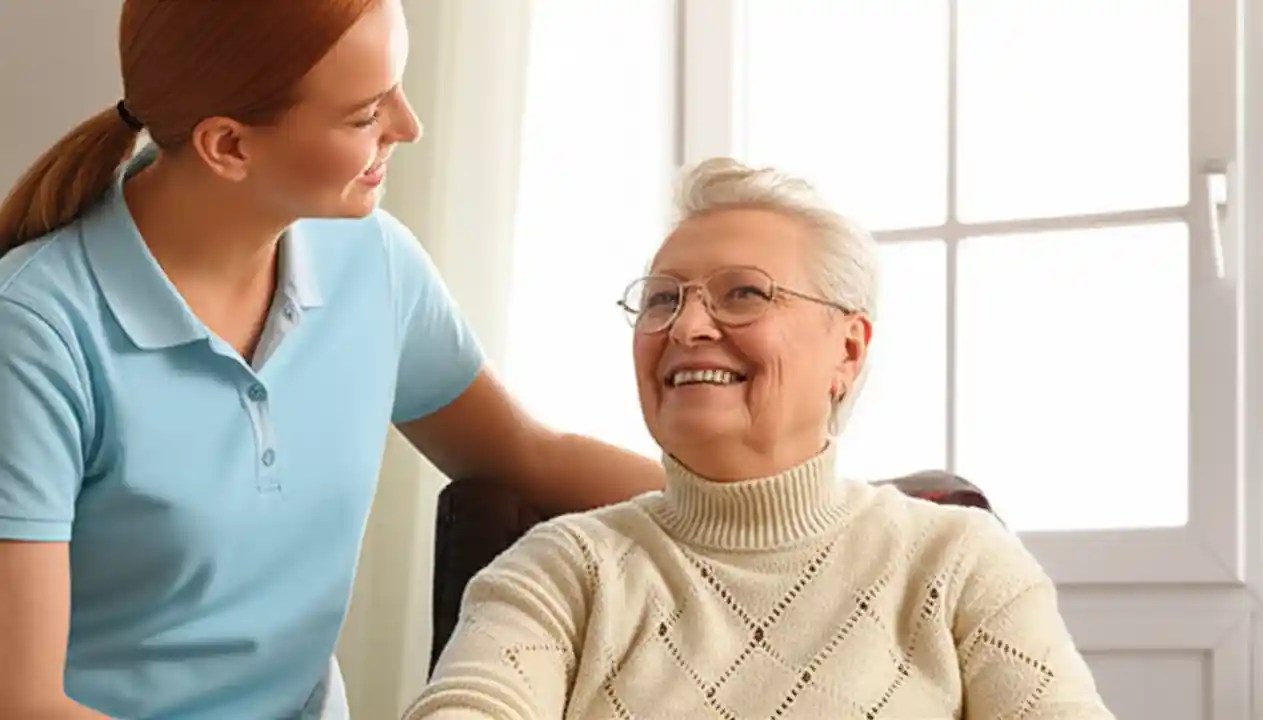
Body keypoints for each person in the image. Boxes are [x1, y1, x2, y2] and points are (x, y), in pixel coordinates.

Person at [0, 2, 662, 718]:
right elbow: (23, 701)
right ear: (228, 146)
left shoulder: (370, 262)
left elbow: (526, 454)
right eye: (364, 115)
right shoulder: (35, 334)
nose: (408, 127)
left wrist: (776, 512)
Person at [408, 158, 1115, 719]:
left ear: (848, 348)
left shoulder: (961, 559)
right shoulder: (561, 569)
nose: (686, 328)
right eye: (662, 298)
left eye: (742, 293)